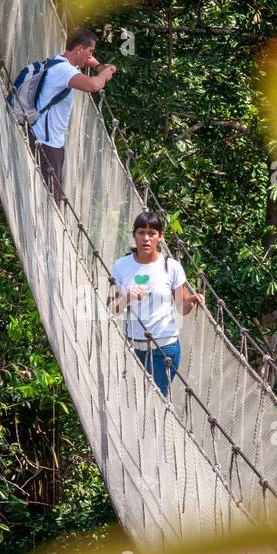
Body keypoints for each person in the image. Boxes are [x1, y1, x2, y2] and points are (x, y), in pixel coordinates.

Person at [109, 210, 205, 397]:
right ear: (134, 235)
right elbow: (111, 309)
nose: (146, 238)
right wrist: (127, 298)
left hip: (164, 349)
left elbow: (181, 309)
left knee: (154, 402)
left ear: (160, 237)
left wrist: (192, 302)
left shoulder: (172, 267)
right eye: (141, 233)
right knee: (132, 401)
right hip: (133, 347)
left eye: (152, 233)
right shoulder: (121, 266)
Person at [28, 27, 117, 205]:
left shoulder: (58, 61)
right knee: (51, 202)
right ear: (79, 50)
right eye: (90, 51)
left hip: (44, 138)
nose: (91, 56)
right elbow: (93, 85)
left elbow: (88, 60)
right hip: (47, 143)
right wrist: (105, 74)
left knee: (51, 195)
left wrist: (98, 66)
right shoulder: (64, 71)